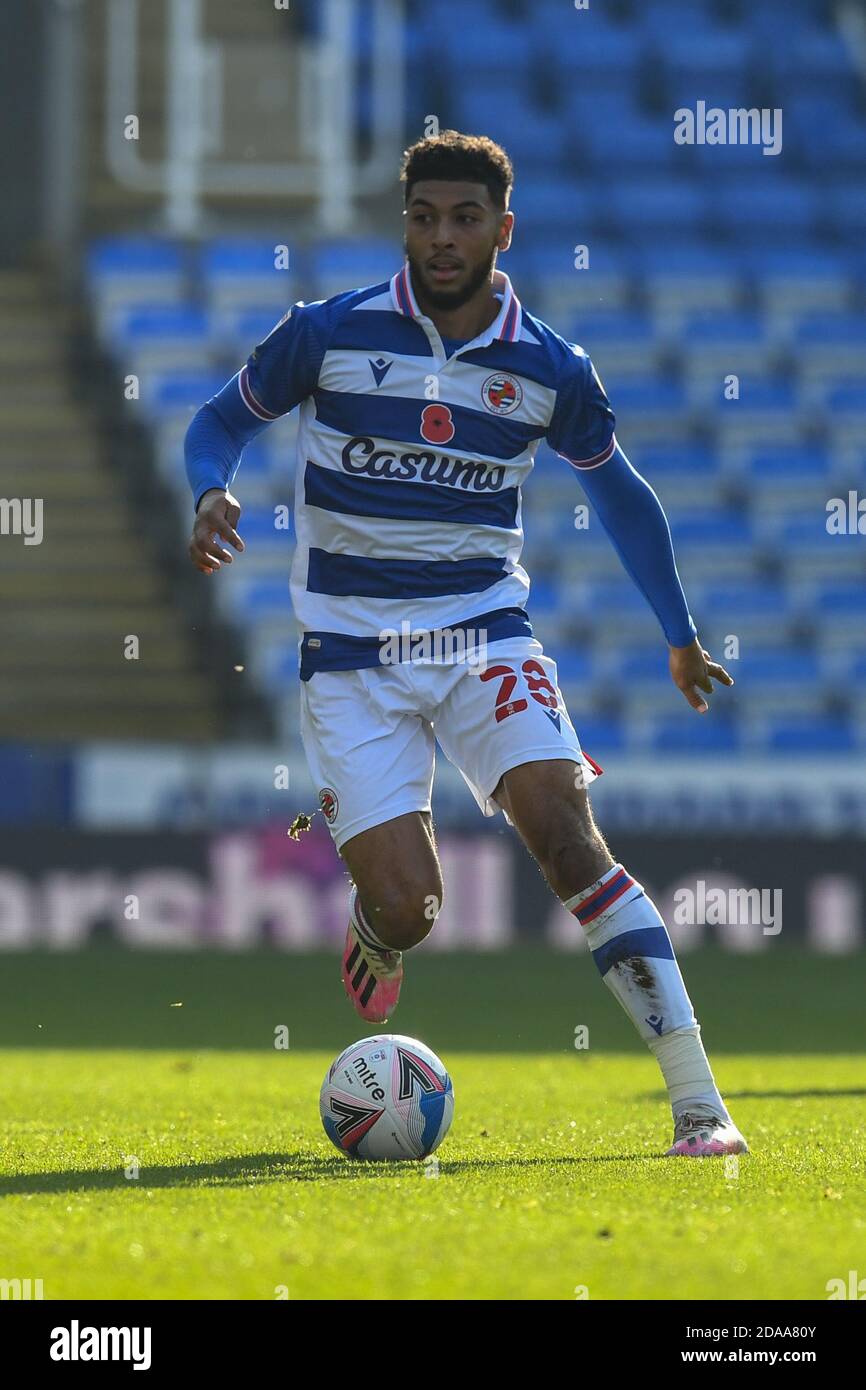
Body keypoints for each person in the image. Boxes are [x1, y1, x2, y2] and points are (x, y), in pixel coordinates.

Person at [185, 130, 747, 1158]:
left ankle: (698, 1105)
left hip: (483, 635)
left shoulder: (548, 369)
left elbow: (622, 499)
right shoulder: (327, 332)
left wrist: (678, 634)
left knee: (568, 835)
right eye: (421, 217)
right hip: (350, 660)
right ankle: (374, 923)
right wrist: (211, 488)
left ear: (502, 228)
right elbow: (216, 422)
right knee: (411, 908)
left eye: (463, 218)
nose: (440, 239)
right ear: (402, 222)